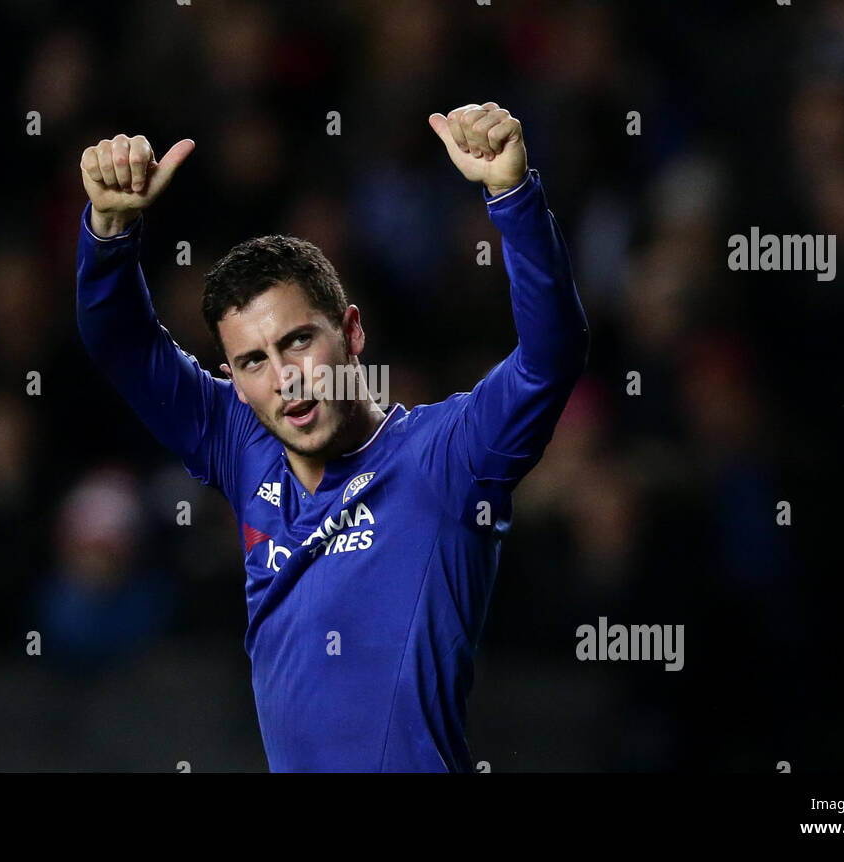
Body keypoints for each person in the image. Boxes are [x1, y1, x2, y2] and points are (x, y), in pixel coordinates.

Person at [75, 102, 589, 772]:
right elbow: (121, 344)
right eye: (253, 362)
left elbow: (550, 355)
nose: (283, 379)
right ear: (232, 374)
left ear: (350, 334)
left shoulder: (446, 457)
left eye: (297, 341)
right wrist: (109, 232)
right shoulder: (241, 444)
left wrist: (512, 197)